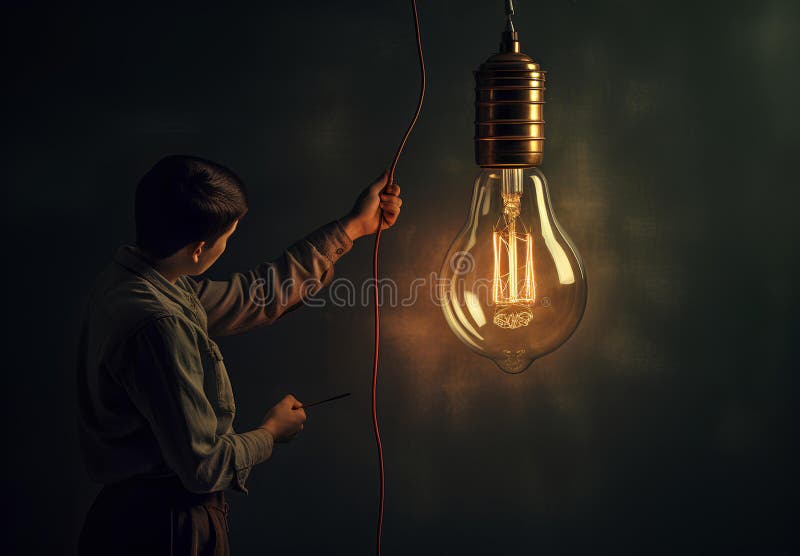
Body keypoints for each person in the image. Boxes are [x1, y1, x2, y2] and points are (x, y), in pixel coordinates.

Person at [76, 155, 402, 555]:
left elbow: (253, 296)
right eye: (228, 236)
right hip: (164, 532)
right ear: (199, 249)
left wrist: (353, 227)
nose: (228, 244)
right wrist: (270, 433)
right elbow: (204, 468)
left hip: (134, 519)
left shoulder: (138, 280)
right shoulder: (157, 324)